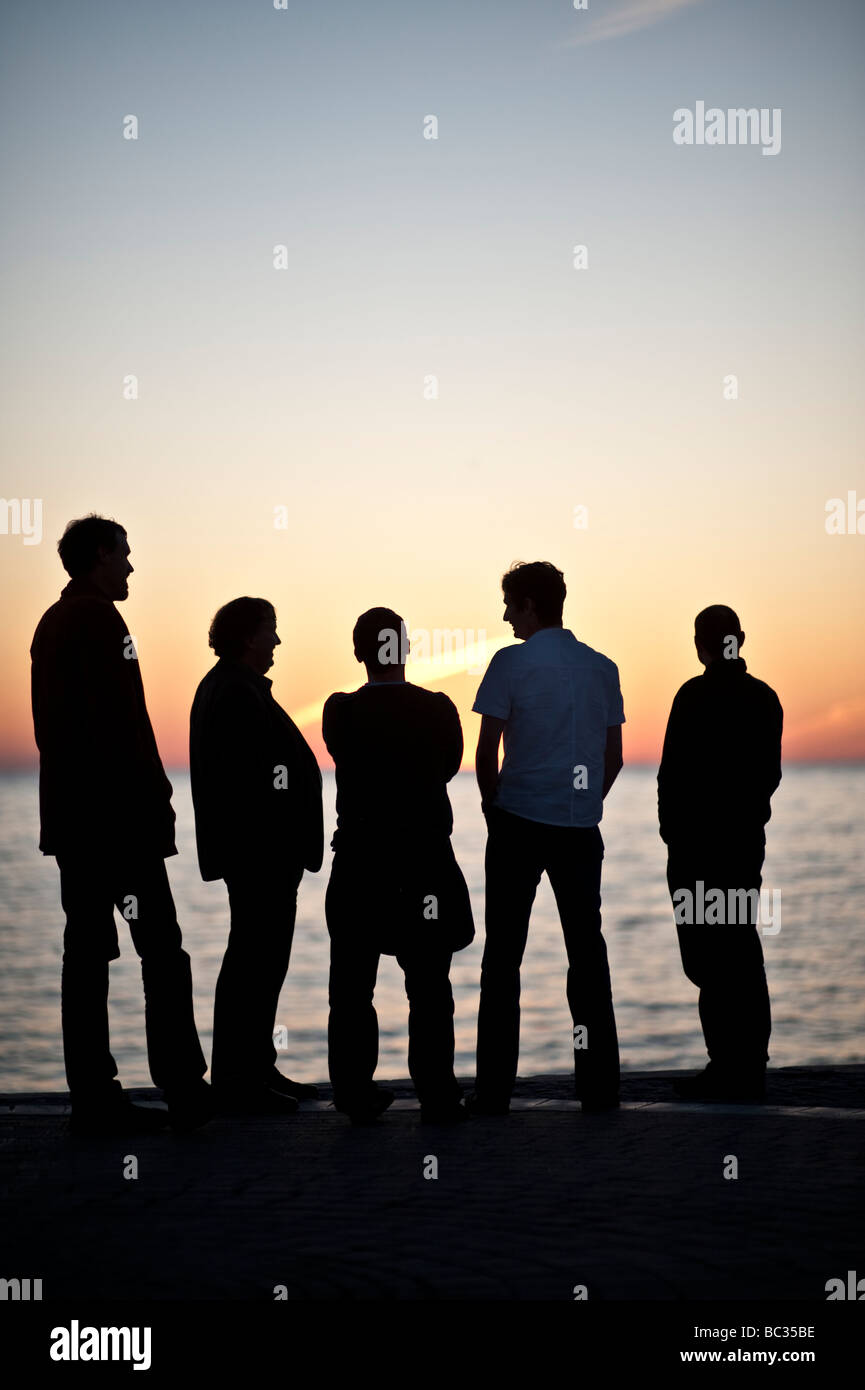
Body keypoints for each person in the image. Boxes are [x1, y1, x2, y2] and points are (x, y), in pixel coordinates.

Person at [30, 515, 211, 1134]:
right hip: (116, 826)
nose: (131, 566)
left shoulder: (52, 624)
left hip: (76, 823)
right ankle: (183, 1086)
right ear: (100, 555)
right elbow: (121, 724)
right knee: (160, 952)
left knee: (87, 954)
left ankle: (94, 1096)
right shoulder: (98, 619)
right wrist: (153, 801)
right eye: (125, 555)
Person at [469, 562, 624, 1115]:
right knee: (587, 954)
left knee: (502, 959)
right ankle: (600, 1086)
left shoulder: (510, 663)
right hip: (579, 828)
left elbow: (486, 751)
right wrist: (585, 804)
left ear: (532, 603)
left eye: (510, 602)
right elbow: (614, 758)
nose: (505, 613)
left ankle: (493, 1092)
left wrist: (493, 809)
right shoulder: (602, 668)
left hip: (517, 823)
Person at [322, 608, 474, 1125]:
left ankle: (353, 1090)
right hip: (424, 861)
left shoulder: (339, 712)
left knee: (351, 985)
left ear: (360, 653)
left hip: (361, 863)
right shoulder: (438, 709)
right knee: (430, 985)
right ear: (407, 649)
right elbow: (451, 767)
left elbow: (341, 752)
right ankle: (437, 1091)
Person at [190, 597, 323, 1115]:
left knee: (259, 959)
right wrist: (284, 838)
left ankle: (252, 1066)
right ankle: (239, 1077)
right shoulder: (236, 692)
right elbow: (255, 781)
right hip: (260, 855)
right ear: (248, 637)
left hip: (260, 853)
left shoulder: (232, 687)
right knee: (254, 959)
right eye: (271, 630)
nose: (277, 640)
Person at [658, 605, 782, 1102]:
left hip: (696, 849)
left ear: (699, 644)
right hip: (740, 847)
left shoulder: (692, 696)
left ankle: (728, 1063)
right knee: (739, 948)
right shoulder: (763, 699)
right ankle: (746, 1063)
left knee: (708, 958)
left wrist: (673, 833)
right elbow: (766, 778)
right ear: (740, 639)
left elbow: (670, 774)